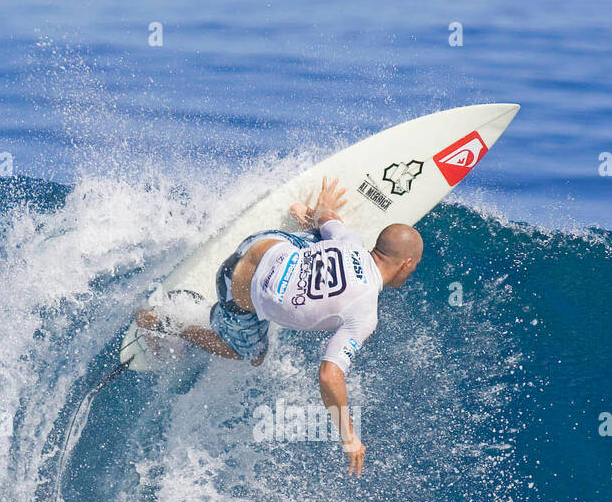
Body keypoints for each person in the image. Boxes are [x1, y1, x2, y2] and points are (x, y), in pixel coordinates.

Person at [134, 177, 423, 476]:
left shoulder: (351, 242)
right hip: (235, 286)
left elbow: (328, 215)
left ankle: (303, 218)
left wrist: (322, 208)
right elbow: (329, 375)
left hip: (263, 242)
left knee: (322, 239)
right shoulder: (365, 314)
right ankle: (166, 323)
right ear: (407, 264)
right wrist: (349, 436)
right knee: (251, 353)